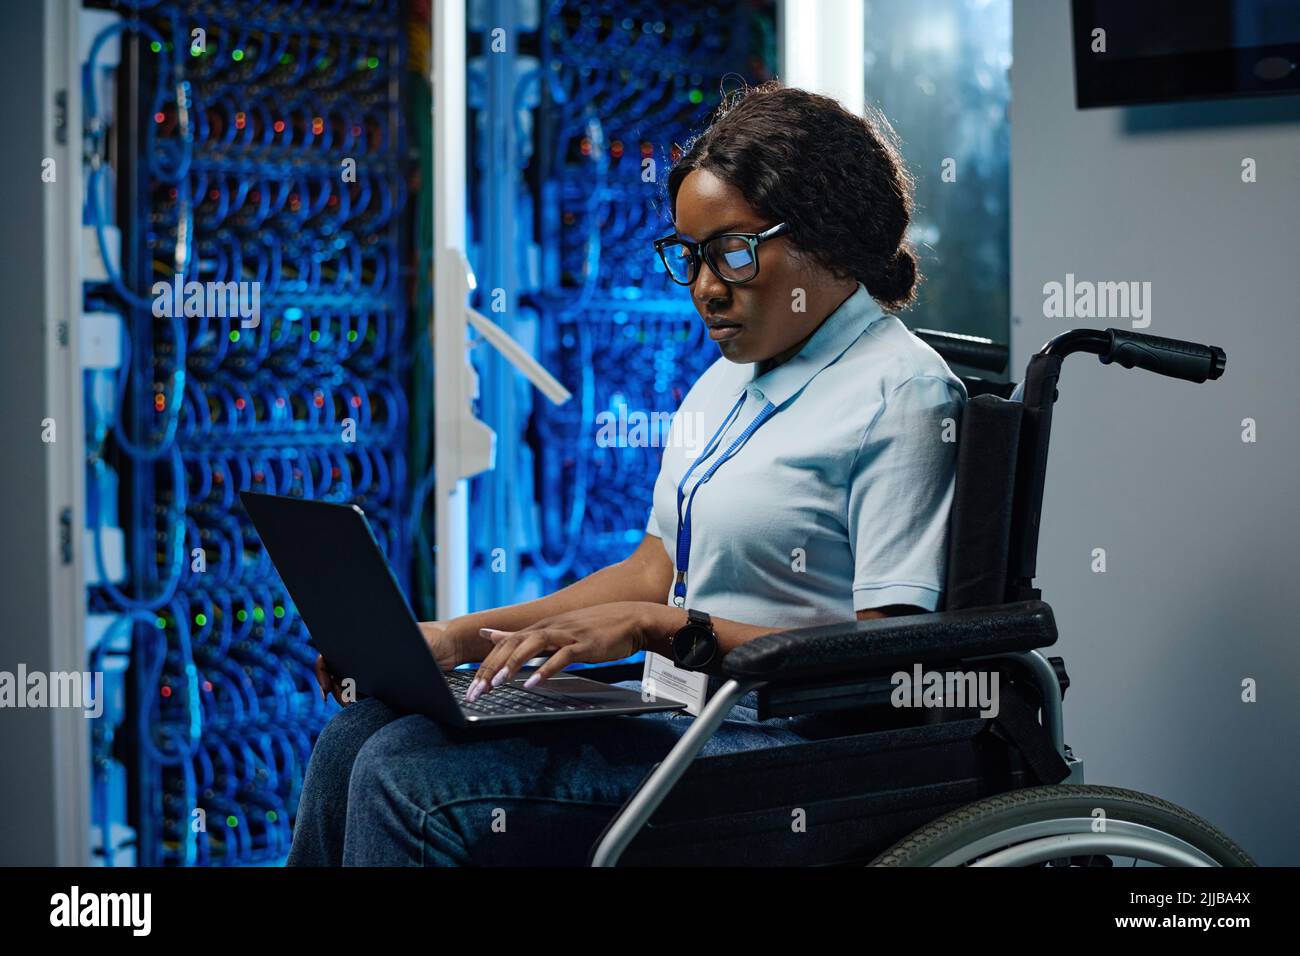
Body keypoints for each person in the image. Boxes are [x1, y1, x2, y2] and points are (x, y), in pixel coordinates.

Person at [287, 81, 968, 866]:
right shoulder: (731, 377)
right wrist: (454, 640)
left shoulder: (904, 396)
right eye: (692, 256)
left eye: (734, 252)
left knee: (407, 779)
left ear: (831, 239)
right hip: (682, 718)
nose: (708, 288)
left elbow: (891, 661)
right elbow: (655, 570)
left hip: (791, 753)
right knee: (357, 736)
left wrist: (669, 629)